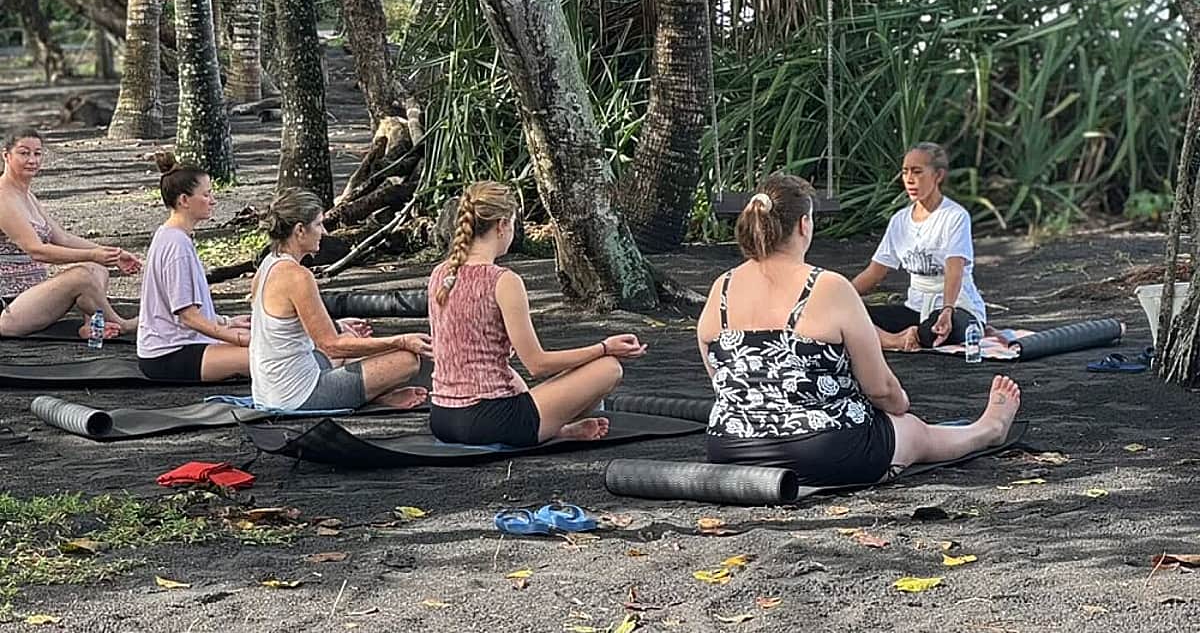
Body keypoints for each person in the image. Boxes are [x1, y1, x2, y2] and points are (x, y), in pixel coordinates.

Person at [697, 172, 1021, 486]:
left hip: (731, 448)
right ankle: (988, 429)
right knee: (912, 431)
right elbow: (879, 387)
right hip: (822, 450)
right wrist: (899, 405)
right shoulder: (826, 286)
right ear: (803, 224)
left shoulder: (721, 287)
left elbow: (719, 375)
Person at [427, 181, 645, 448]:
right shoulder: (503, 280)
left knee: (508, 374)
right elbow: (537, 364)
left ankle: (560, 430)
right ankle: (552, 428)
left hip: (441, 418)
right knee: (608, 368)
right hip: (489, 421)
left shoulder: (440, 274)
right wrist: (603, 348)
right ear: (501, 225)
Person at [248, 188, 429, 411]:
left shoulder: (267, 265)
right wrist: (401, 340)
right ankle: (373, 396)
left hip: (268, 392)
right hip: (297, 397)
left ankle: (374, 394)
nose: (323, 232)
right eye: (318, 224)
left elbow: (285, 328)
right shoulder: (297, 276)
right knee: (407, 360)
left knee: (349, 336)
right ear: (300, 230)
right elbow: (332, 347)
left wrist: (338, 326)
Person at [0, 127, 140, 339]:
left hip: (33, 296)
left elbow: (62, 238)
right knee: (82, 275)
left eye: (37, 153)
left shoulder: (27, 196)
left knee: (96, 268)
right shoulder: (3, 197)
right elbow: (37, 250)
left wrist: (112, 254)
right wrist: (92, 255)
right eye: (24, 153)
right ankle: (121, 324)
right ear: (6, 155)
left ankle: (91, 325)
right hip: (8, 308)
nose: (32, 160)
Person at [851, 142, 987, 351]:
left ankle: (906, 337)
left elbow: (954, 269)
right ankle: (895, 339)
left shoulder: (955, 216)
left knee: (936, 331)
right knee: (849, 316)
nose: (910, 180)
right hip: (914, 309)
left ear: (938, 176)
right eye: (905, 172)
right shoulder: (899, 220)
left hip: (956, 307)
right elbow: (875, 272)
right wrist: (840, 296)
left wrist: (948, 310)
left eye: (917, 172)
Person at [136, 153, 251, 383]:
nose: (213, 200)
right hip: (170, 355)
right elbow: (188, 317)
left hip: (176, 347)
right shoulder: (177, 246)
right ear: (184, 200)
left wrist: (226, 322)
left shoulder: (172, 236)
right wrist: (235, 337)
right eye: (206, 195)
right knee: (276, 358)